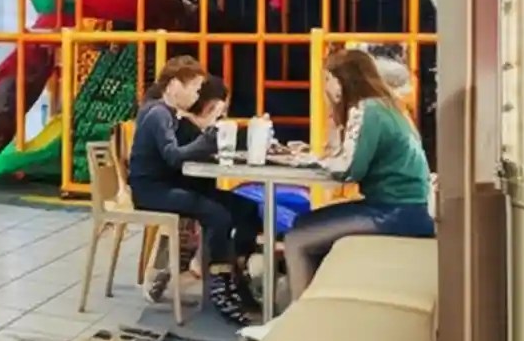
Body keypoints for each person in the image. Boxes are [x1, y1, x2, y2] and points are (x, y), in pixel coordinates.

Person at [282, 49, 434, 301]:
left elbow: (348, 170)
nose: (325, 87)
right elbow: (345, 156)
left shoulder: (367, 110)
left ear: (343, 80)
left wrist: (305, 161)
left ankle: (298, 322)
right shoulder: (388, 106)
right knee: (302, 223)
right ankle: (318, 305)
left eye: (328, 80)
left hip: (396, 212)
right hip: (405, 207)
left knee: (296, 240)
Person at [128, 56, 259, 325]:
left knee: (245, 208)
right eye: (195, 89)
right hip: (152, 190)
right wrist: (209, 136)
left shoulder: (170, 114)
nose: (197, 95)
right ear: (175, 85)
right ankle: (219, 290)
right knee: (216, 214)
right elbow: (173, 156)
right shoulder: (157, 114)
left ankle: (236, 276)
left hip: (171, 184)